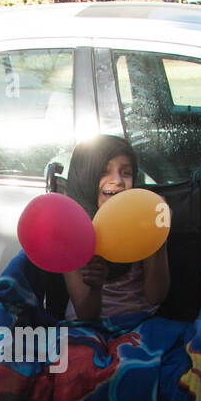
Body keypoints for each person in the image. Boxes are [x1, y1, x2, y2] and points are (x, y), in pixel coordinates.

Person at [61, 135, 169, 320]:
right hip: (86, 328)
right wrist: (95, 287)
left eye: (125, 173)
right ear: (86, 178)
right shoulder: (70, 229)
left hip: (138, 323)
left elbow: (156, 296)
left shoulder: (143, 219)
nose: (118, 180)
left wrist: (159, 235)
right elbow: (86, 314)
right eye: (104, 172)